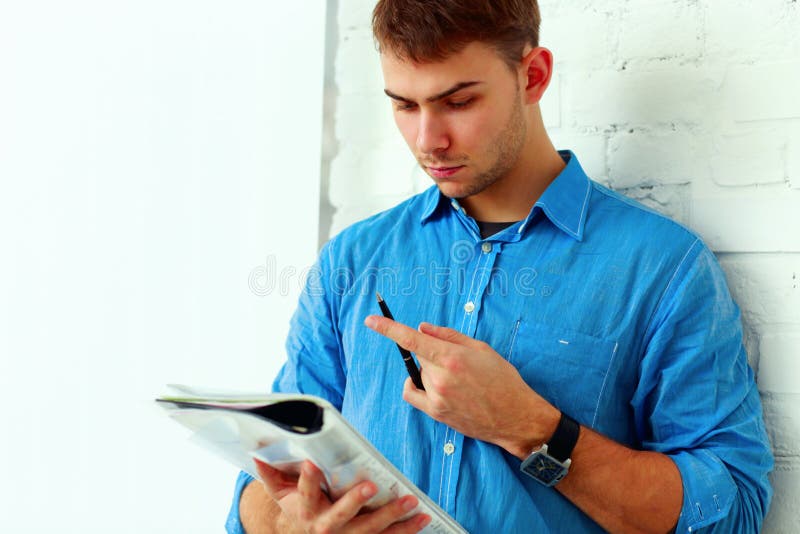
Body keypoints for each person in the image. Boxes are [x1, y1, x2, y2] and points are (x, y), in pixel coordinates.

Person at [227, 1, 774, 532]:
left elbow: (732, 510)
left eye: (458, 102)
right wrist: (293, 525)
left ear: (533, 76)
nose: (428, 141)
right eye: (405, 105)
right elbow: (262, 483)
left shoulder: (663, 269)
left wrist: (533, 428)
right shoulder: (351, 259)